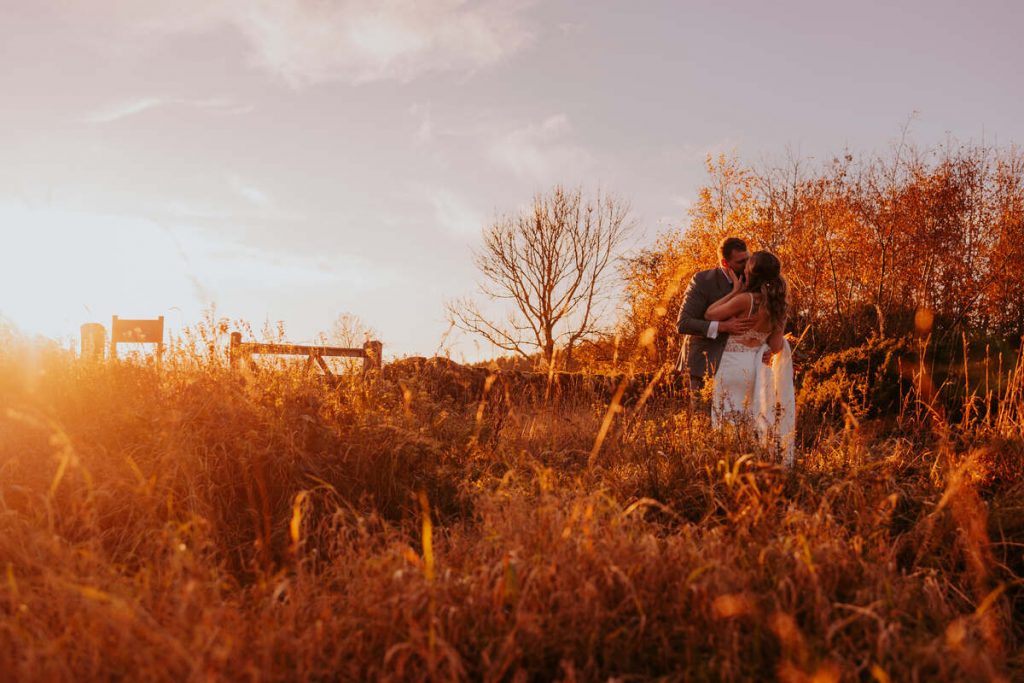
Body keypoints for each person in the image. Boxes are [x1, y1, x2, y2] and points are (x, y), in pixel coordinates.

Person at [704, 250, 796, 466]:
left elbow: (710, 314)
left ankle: (728, 467)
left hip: (731, 366)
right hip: (756, 368)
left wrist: (736, 291)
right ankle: (752, 466)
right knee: (751, 421)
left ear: (752, 273)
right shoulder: (779, 306)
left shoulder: (745, 300)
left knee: (726, 420)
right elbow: (775, 346)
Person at [675, 237, 756, 392]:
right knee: (702, 414)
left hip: (740, 367)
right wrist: (722, 327)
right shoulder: (703, 280)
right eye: (740, 262)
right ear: (725, 263)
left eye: (747, 259)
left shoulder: (752, 280)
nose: (746, 265)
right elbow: (683, 323)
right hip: (703, 366)